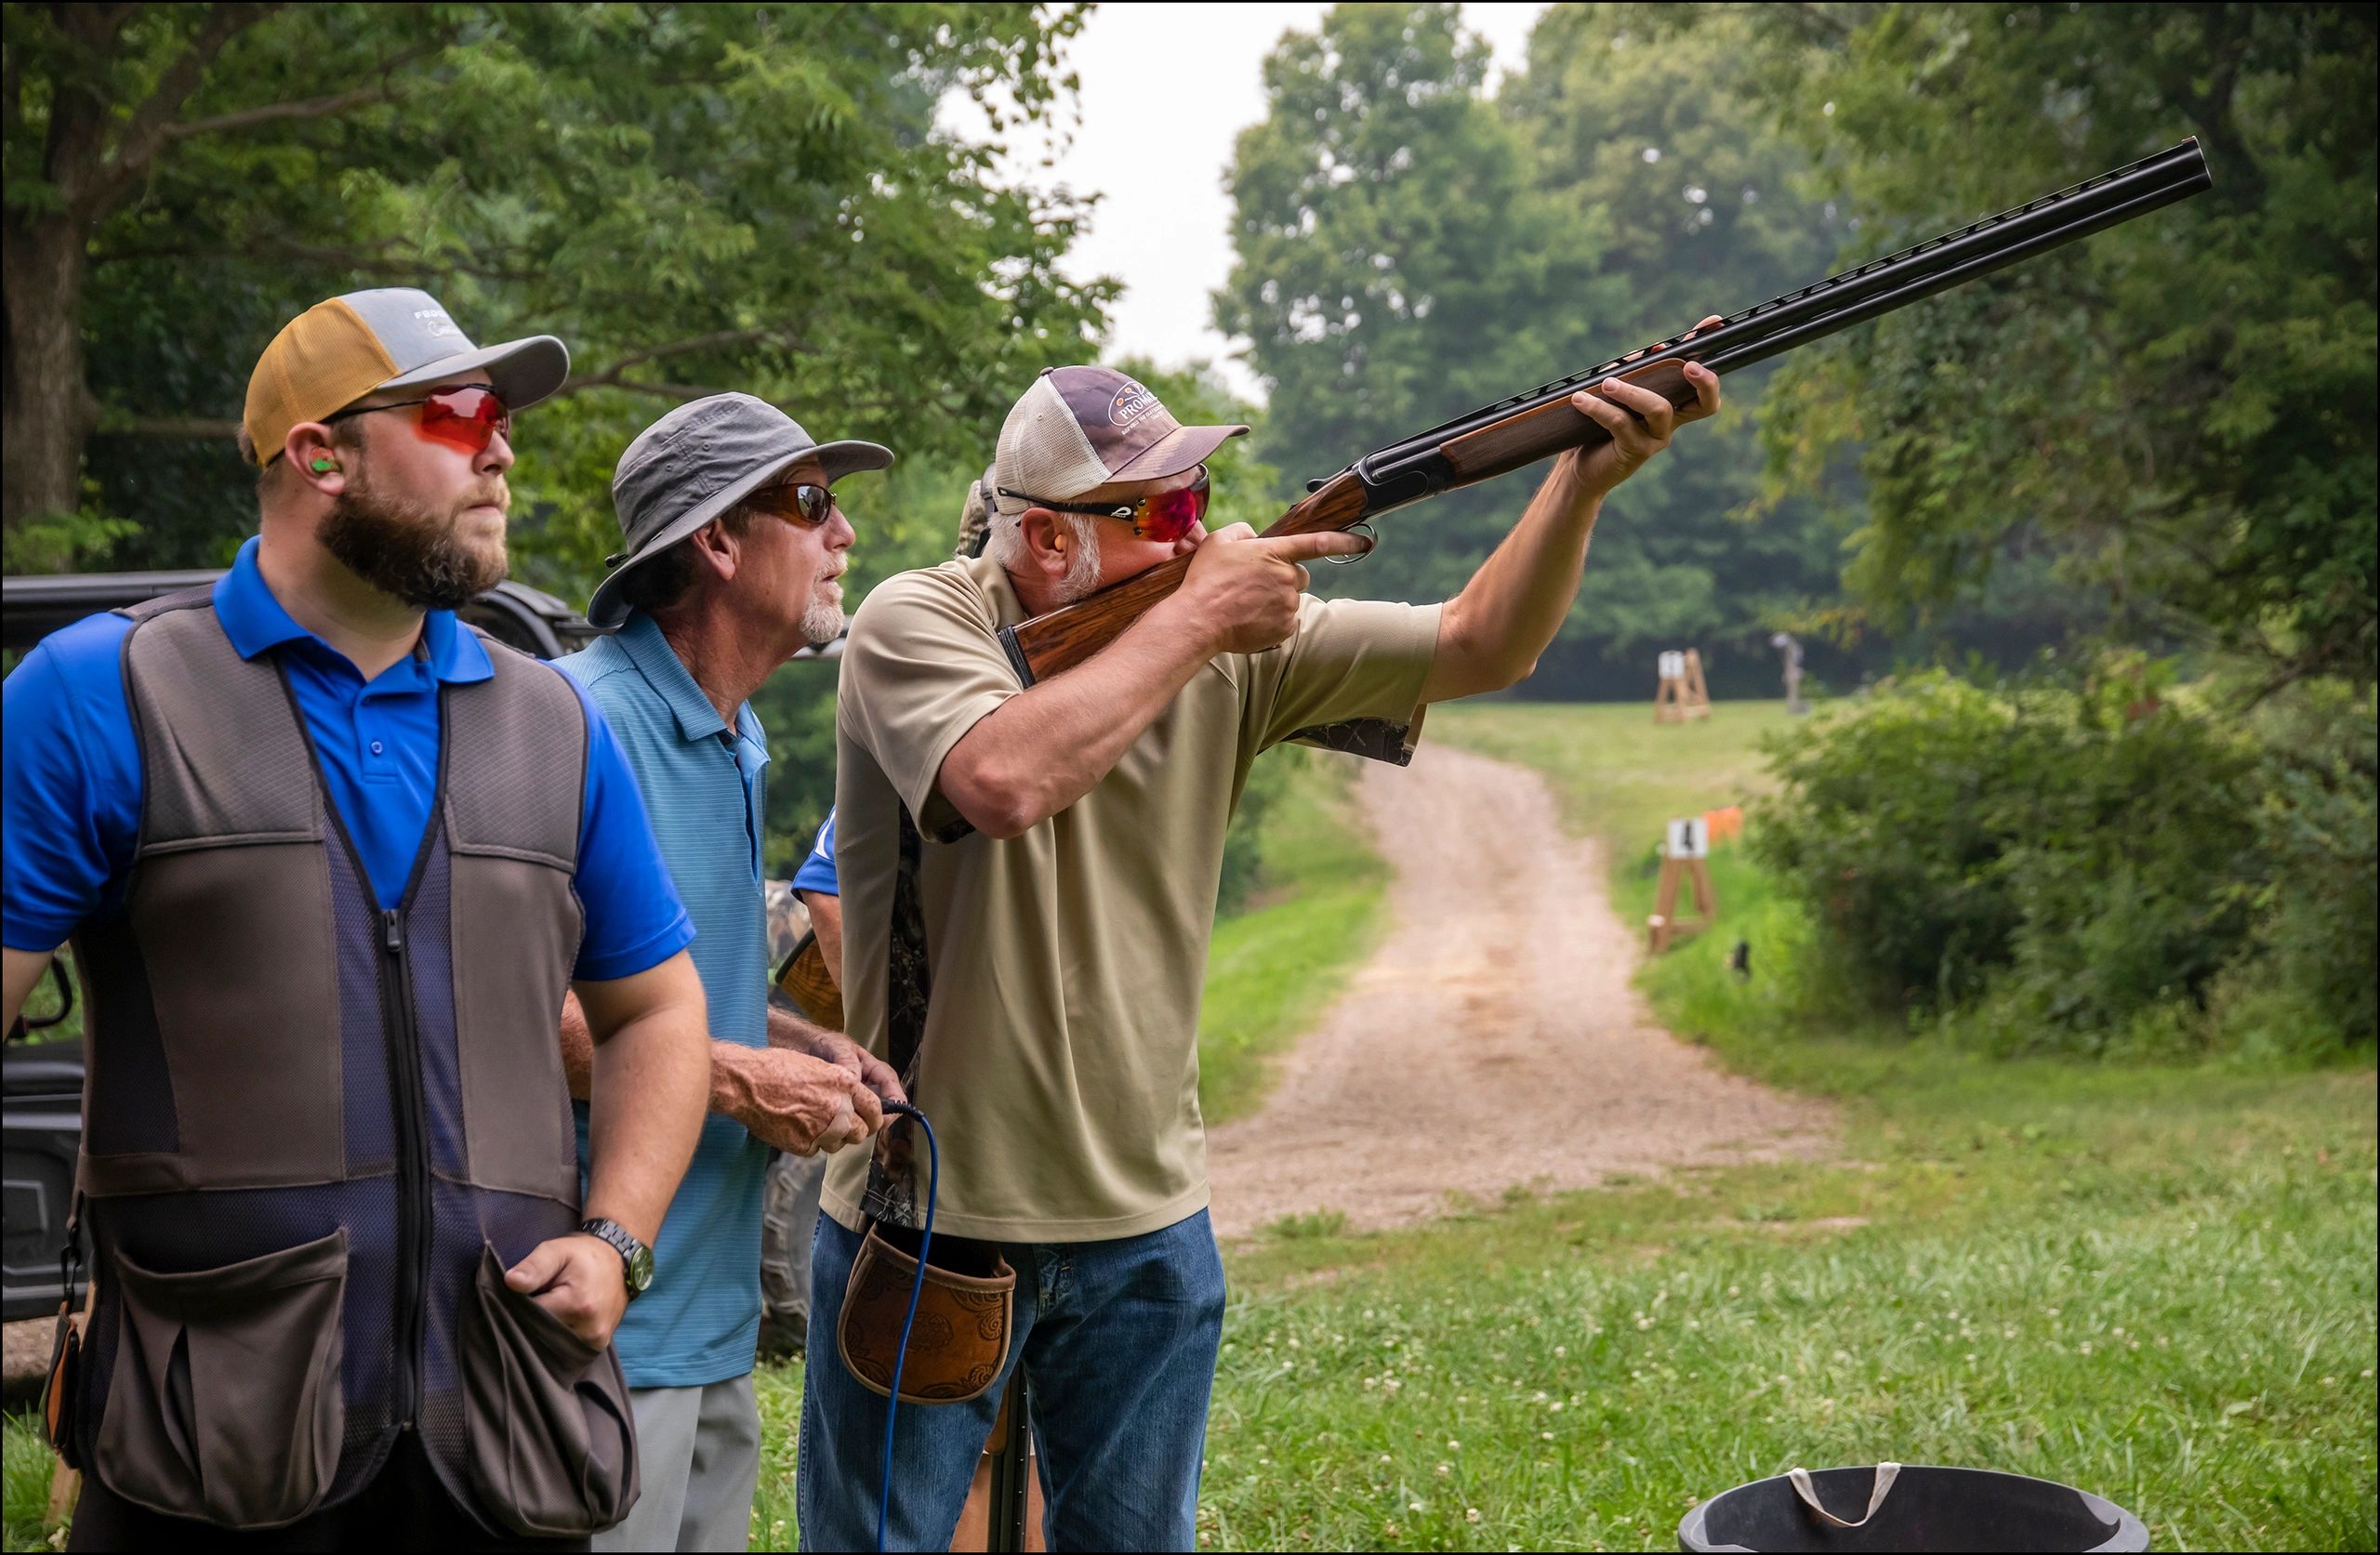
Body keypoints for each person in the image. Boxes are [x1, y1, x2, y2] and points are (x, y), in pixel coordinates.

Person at [799, 351, 1723, 1548]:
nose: (1197, 536)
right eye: (1162, 511)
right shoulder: (916, 619)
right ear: (1042, 544)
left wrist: (1581, 483)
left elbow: (1482, 643)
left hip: (1146, 1221)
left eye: (1197, 498)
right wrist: (1196, 619)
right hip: (928, 1217)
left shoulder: (1218, 644)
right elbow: (1002, 777)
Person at [0, 288, 714, 1549]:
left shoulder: (557, 723)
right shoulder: (101, 691)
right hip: (206, 1451)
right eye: (459, 411)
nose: (501, 447)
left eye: (503, 418)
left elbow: (656, 1007)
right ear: (318, 455)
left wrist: (617, 1242)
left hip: (504, 1437)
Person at [556, 392, 906, 1552]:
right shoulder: (585, 723)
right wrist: (747, 1082)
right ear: (715, 540)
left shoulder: (733, 728)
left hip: (713, 1315)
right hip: (603, 1326)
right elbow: (516, 1015)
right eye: (811, 504)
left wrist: (804, 1045)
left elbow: (667, 982)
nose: (842, 534)